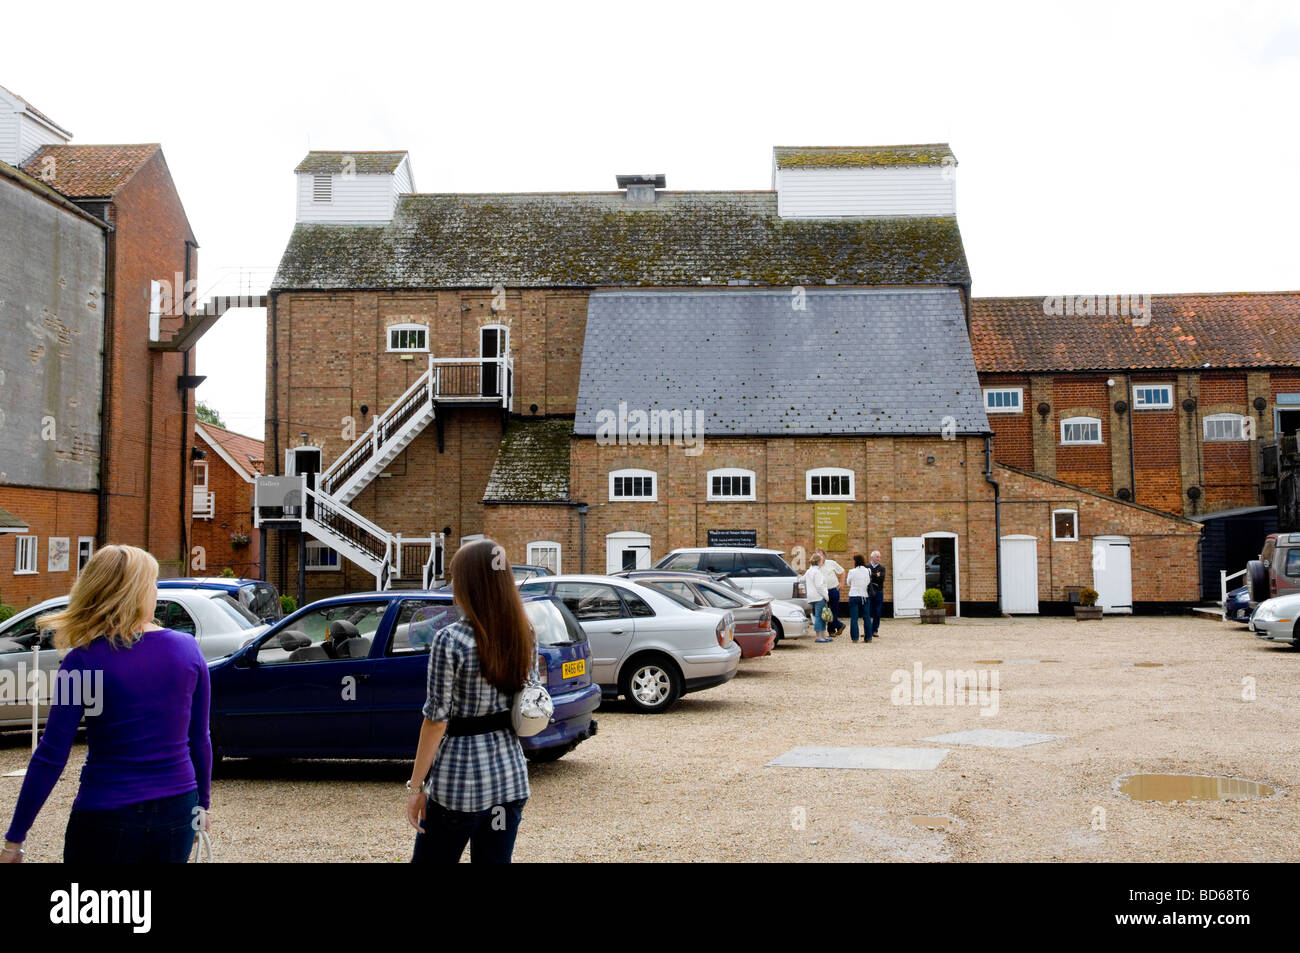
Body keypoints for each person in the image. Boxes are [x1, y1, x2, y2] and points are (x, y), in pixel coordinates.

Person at [1, 545, 211, 864]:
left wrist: (15, 839)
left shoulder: (83, 661)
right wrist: (203, 807)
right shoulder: (187, 650)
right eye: (152, 583)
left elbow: (51, 754)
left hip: (106, 814)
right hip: (177, 808)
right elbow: (200, 739)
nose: (156, 591)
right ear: (135, 592)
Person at [406, 538, 535, 863]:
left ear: (469, 583)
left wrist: (416, 786)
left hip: (459, 784)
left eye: (455, 576)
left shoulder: (450, 640)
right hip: (510, 777)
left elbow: (436, 721)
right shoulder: (525, 632)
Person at [803, 554, 832, 643]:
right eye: (821, 561)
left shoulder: (808, 571)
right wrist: (826, 596)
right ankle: (819, 637)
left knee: (819, 616)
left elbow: (802, 580)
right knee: (820, 617)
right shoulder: (817, 572)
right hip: (819, 596)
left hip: (811, 597)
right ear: (819, 561)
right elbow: (820, 586)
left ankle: (823, 636)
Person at [817, 547, 846, 635]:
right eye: (817, 555)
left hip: (833, 590)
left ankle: (831, 631)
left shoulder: (831, 563)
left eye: (821, 555)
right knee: (824, 612)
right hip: (822, 592)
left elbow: (842, 571)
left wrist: (842, 583)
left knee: (833, 611)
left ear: (824, 556)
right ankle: (840, 625)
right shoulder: (815, 567)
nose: (819, 557)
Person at [845, 553, 872, 643]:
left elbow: (848, 583)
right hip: (864, 596)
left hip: (854, 595)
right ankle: (868, 638)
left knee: (854, 618)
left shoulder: (852, 571)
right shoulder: (868, 570)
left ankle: (855, 638)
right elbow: (868, 582)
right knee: (866, 617)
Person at [866, 550, 887, 640]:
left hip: (878, 591)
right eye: (877, 557)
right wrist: (876, 575)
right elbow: (867, 579)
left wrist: (873, 576)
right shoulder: (866, 567)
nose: (879, 558)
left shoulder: (882, 568)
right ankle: (868, 630)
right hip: (868, 592)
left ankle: (875, 630)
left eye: (879, 557)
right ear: (872, 557)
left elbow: (881, 579)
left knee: (877, 611)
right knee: (867, 611)